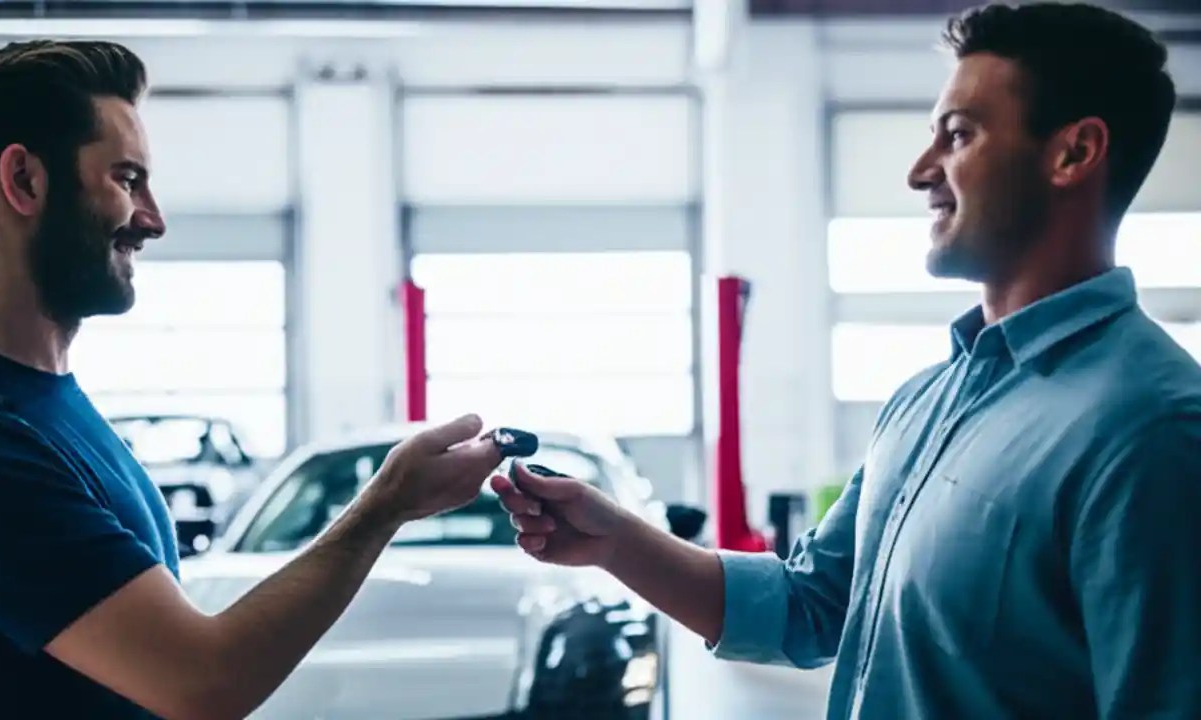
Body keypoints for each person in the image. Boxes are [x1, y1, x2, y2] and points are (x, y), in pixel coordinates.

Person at [494, 4, 1201, 719]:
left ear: (1073, 153)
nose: (920, 172)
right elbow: (809, 606)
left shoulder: (1154, 429)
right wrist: (614, 539)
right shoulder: (926, 400)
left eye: (958, 136)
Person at [0, 41, 505, 719]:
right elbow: (203, 680)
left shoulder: (43, 412)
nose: (153, 219)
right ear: (24, 181)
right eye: (127, 178)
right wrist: (386, 505)